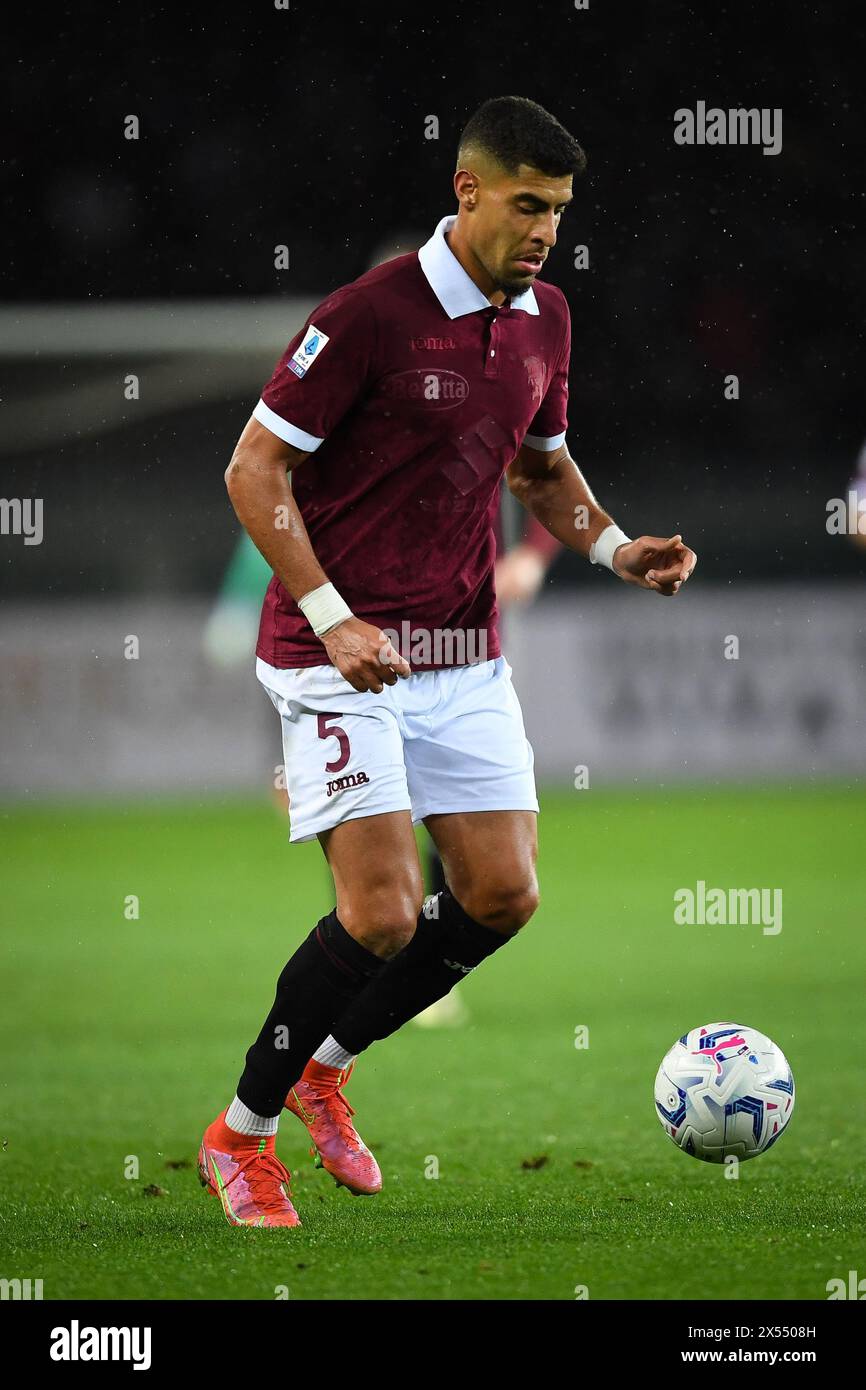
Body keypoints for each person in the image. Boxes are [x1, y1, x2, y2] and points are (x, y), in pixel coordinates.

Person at [199, 94, 697, 1227]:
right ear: (466, 191)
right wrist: (329, 614)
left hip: (459, 651)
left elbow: (537, 469)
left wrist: (617, 546)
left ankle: (325, 1063)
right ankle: (242, 1132)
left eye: (559, 213)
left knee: (501, 894)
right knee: (378, 911)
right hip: (336, 655)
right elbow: (250, 471)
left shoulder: (545, 319)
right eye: (526, 206)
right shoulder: (367, 315)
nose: (542, 232)